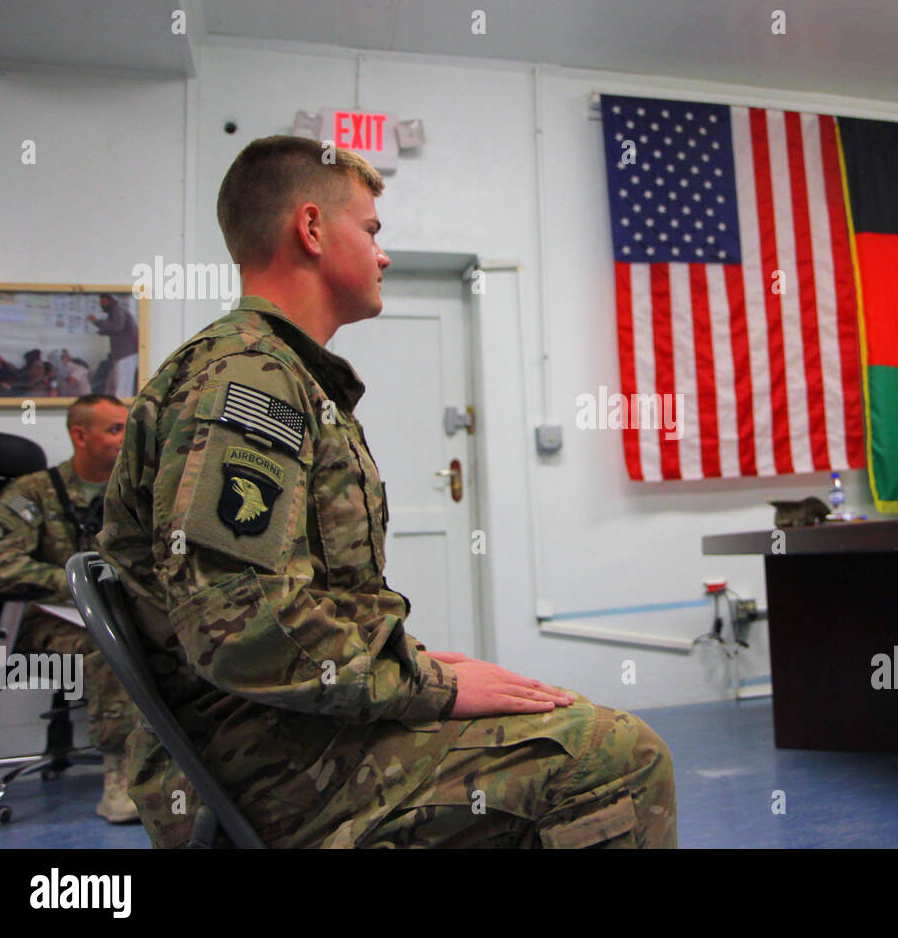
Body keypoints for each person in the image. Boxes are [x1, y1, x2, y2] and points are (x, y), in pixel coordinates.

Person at [99, 135, 676, 848]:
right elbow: (244, 631)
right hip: (280, 766)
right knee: (618, 758)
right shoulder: (250, 381)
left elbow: (293, 603)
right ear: (311, 229)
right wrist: (430, 686)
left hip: (287, 735)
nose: (384, 253)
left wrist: (412, 659)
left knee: (555, 718)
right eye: (371, 230)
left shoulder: (272, 373)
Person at [0, 395, 141, 822]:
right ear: (79, 435)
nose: (126, 438)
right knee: (112, 646)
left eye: (128, 427)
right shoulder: (32, 491)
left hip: (118, 614)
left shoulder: (133, 495)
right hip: (39, 621)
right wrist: (77, 588)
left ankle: (172, 767)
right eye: (115, 429)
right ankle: (120, 779)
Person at [86, 294, 138, 398]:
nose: (101, 305)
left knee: (123, 387)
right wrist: (104, 331)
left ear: (110, 300)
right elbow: (117, 328)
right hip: (123, 354)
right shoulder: (116, 311)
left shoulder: (117, 310)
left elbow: (117, 327)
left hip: (126, 354)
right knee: (117, 384)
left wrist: (96, 321)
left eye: (103, 302)